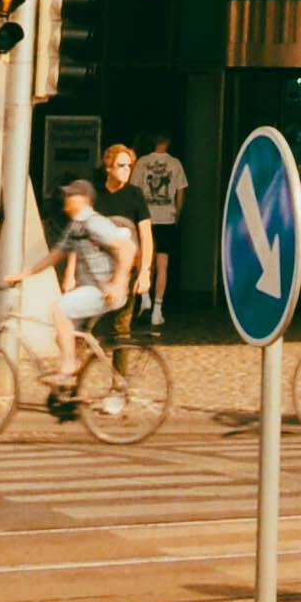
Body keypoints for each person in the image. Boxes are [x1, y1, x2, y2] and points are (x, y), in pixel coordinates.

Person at [45, 174, 136, 407]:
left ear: (83, 199)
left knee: (59, 310)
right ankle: (69, 396)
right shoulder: (76, 224)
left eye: (70, 195)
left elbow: (127, 248)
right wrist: (24, 274)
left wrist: (117, 282)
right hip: (93, 288)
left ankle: (70, 370)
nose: (65, 198)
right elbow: (57, 253)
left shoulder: (93, 222)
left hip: (104, 291)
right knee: (65, 336)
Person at [93, 141, 151, 357]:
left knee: (121, 329)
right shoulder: (96, 196)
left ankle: (120, 383)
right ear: (108, 168)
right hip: (98, 270)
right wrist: (71, 273)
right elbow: (81, 234)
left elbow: (146, 235)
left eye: (129, 166)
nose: (127, 170)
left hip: (127, 270)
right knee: (86, 328)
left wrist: (145, 270)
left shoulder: (135, 195)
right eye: (121, 166)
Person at [136, 131, 187, 326]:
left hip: (146, 218)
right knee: (162, 265)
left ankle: (145, 297)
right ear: (168, 142)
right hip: (167, 218)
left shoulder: (141, 162)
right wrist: (177, 215)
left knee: (144, 261)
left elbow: (136, 191)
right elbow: (181, 194)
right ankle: (157, 310)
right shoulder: (175, 164)